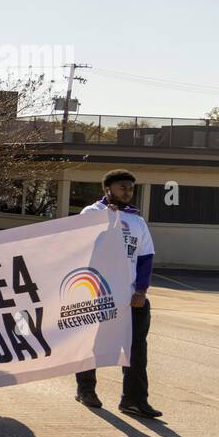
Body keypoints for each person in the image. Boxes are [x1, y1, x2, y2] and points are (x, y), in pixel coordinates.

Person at [73, 170, 159, 418]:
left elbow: (145, 258)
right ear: (107, 189)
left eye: (131, 188)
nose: (128, 192)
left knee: (136, 350)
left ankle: (134, 400)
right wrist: (106, 222)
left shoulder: (137, 221)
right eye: (123, 187)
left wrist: (141, 290)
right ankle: (86, 389)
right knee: (90, 345)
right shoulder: (91, 214)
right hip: (96, 294)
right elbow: (76, 248)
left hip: (131, 297)